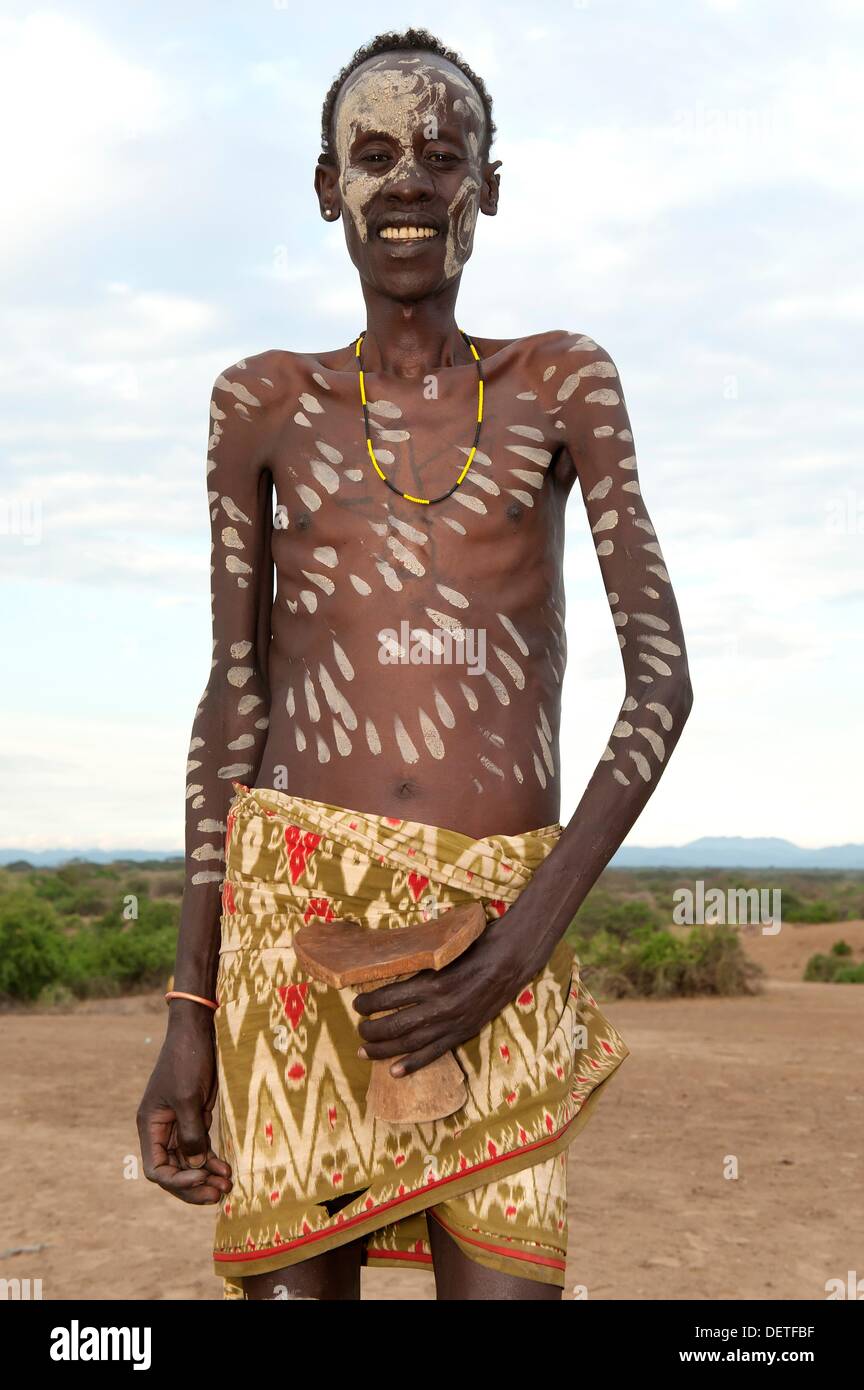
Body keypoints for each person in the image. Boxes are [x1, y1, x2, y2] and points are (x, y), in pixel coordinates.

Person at [137, 26, 693, 1302]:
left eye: (444, 156)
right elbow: (235, 697)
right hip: (295, 923)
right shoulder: (261, 403)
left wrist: (517, 952)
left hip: (506, 921)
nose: (408, 182)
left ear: (488, 189)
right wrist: (190, 1014)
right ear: (325, 184)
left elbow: (661, 684)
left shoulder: (562, 384)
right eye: (374, 154)